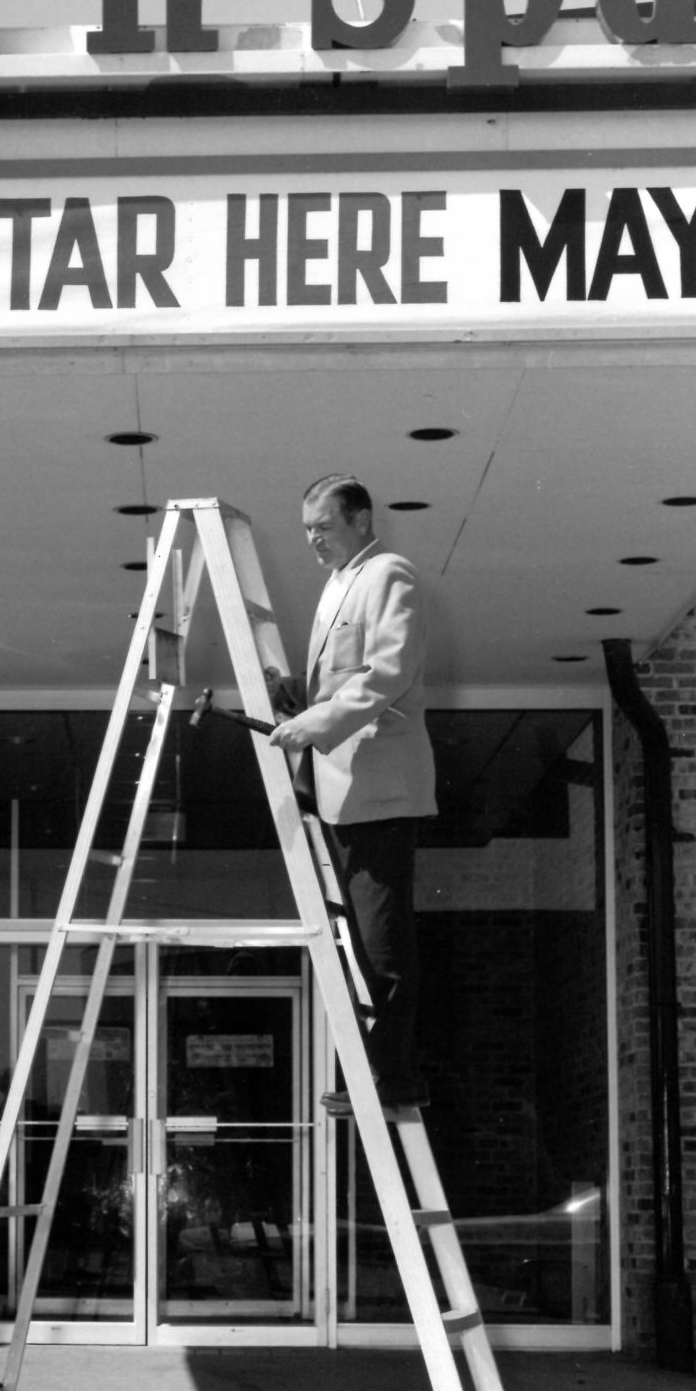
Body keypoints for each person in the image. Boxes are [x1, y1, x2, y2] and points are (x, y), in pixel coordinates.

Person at [267, 474, 436, 1113]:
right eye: (307, 529)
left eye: (324, 527)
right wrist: (293, 696)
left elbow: (386, 675)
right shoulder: (337, 586)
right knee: (365, 943)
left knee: (383, 939)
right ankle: (381, 1074)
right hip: (344, 788)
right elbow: (338, 682)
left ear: (362, 520)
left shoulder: (390, 575)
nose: (313, 539)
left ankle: (394, 1082)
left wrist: (311, 724)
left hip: (379, 786)